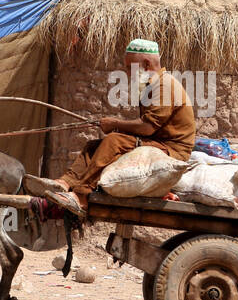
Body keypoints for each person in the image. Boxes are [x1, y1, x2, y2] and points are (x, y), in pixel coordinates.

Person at [48, 38, 195, 214]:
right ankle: (65, 182)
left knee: (113, 141)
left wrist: (115, 124)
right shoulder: (154, 84)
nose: (127, 73)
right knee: (94, 146)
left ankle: (81, 195)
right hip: (158, 142)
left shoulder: (164, 85)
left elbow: (148, 127)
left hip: (172, 150)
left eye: (129, 67)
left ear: (146, 64)